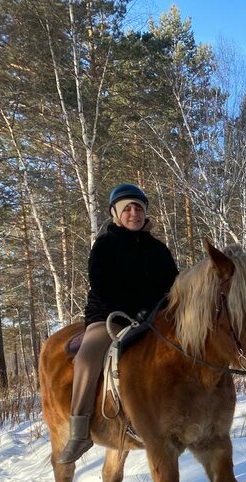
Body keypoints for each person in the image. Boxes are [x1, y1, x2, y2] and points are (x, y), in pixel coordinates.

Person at [57, 183, 179, 464]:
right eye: (127, 208)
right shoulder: (104, 246)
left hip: (152, 318)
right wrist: (136, 309)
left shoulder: (159, 250)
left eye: (138, 208)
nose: (133, 213)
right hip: (108, 316)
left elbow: (173, 286)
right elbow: (102, 285)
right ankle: (79, 430)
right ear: (116, 213)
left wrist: (162, 309)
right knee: (88, 357)